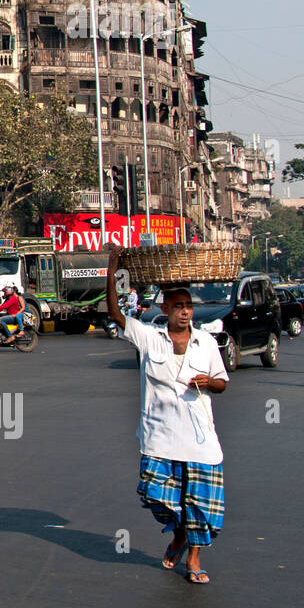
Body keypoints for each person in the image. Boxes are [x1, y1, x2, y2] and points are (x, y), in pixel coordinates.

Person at [107, 247, 228, 585]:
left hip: (200, 440)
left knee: (200, 505)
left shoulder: (206, 344)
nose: (185, 312)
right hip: (159, 437)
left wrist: (210, 382)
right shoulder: (150, 338)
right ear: (165, 309)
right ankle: (177, 535)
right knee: (156, 496)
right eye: (178, 306)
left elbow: (222, 383)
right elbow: (116, 314)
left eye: (188, 306)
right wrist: (112, 268)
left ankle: (193, 557)